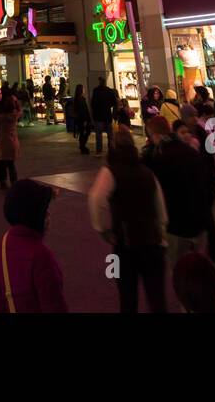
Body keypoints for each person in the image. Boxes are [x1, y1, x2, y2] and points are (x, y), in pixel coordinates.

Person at [89, 128, 169, 313]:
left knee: (127, 295)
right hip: (152, 241)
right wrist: (161, 232)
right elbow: (160, 207)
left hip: (125, 244)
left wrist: (102, 229)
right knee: (157, 296)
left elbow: (95, 199)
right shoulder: (147, 172)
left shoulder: (110, 172)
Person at [143, 117, 215, 271]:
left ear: (155, 135)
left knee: (179, 268)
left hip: (176, 223)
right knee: (200, 266)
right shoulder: (190, 151)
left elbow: (157, 191)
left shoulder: (159, 158)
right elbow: (205, 182)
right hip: (200, 218)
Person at [0, 180, 68, 312]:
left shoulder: (5, 242)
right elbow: (54, 306)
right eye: (45, 211)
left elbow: (0, 297)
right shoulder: (41, 256)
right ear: (35, 216)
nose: (49, 215)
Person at [90, 76, 117, 154]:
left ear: (99, 82)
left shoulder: (96, 91)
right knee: (110, 135)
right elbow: (114, 102)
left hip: (98, 116)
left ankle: (99, 150)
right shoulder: (109, 91)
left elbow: (93, 103)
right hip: (107, 115)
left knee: (98, 135)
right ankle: (111, 149)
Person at [70, 84, 91, 154]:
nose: (84, 90)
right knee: (84, 133)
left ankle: (82, 146)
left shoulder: (78, 99)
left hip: (80, 120)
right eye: (83, 88)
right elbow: (82, 111)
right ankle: (82, 146)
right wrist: (85, 120)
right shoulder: (80, 99)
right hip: (82, 120)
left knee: (83, 133)